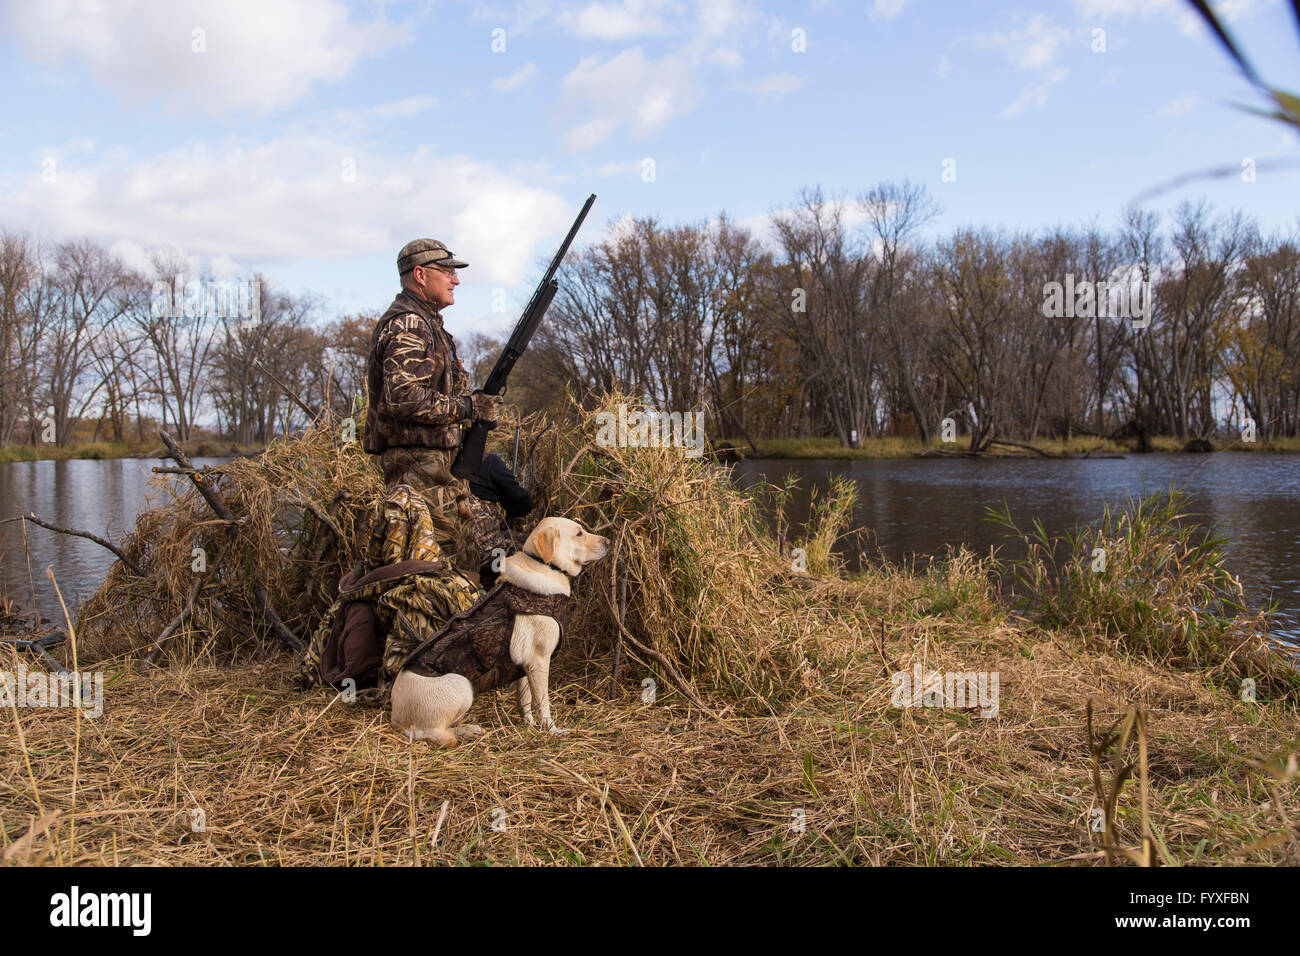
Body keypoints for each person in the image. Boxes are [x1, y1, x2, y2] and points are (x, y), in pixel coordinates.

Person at [363, 238, 505, 575]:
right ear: (420, 274)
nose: (456, 280)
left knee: (460, 568)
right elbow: (405, 398)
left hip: (438, 470)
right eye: (447, 272)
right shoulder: (410, 324)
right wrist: (469, 408)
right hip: (419, 473)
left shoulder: (429, 324)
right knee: (438, 574)